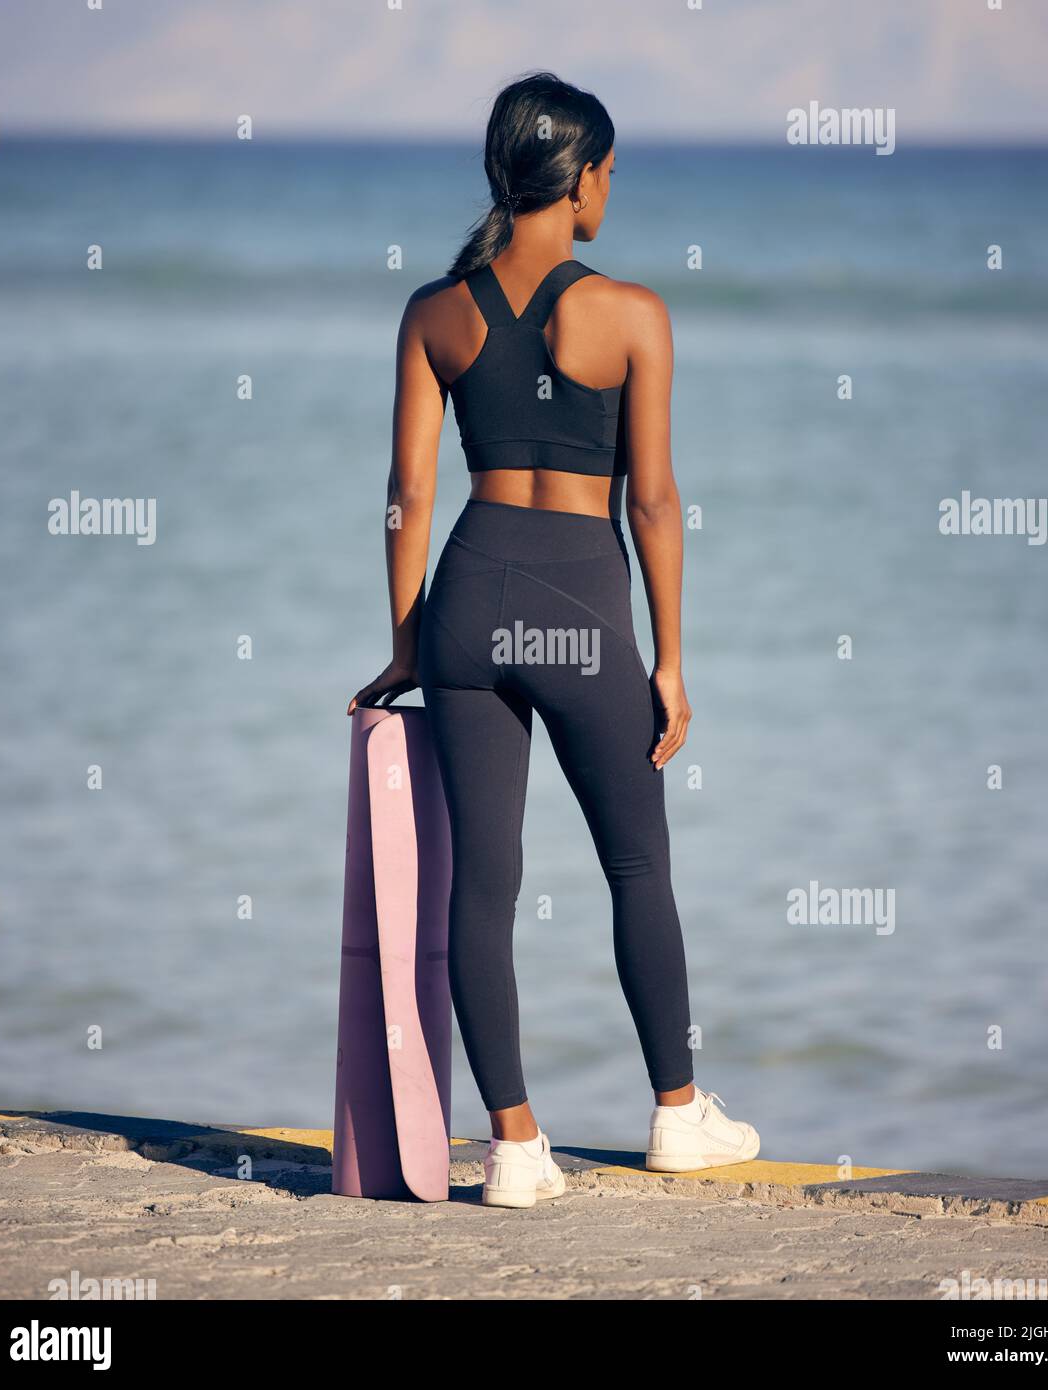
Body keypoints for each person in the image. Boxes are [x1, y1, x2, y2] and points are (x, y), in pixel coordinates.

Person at [350, 72, 759, 1208]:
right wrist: (669, 659)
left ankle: (514, 1147)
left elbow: (407, 492)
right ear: (580, 179)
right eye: (609, 172)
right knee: (635, 864)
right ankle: (677, 1114)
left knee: (480, 882)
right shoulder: (631, 314)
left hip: (468, 599)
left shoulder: (434, 312)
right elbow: (656, 504)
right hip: (580, 604)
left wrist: (403, 641)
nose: (609, 190)